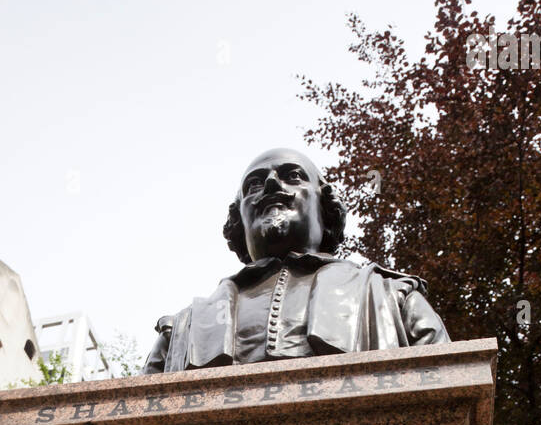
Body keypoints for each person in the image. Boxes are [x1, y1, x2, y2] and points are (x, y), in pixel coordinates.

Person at [143, 147, 448, 374]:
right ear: (239, 219)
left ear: (325, 208)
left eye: (293, 176)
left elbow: (444, 384)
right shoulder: (183, 329)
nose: (272, 186)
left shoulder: (391, 297)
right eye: (254, 185)